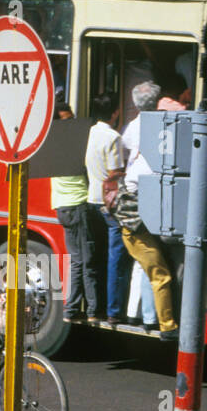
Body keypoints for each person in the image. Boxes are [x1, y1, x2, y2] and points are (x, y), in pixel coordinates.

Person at [114, 82, 178, 339]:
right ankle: (165, 325)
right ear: (158, 100)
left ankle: (143, 317)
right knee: (157, 271)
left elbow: (125, 155)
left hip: (135, 206)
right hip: (141, 209)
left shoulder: (131, 128)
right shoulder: (168, 125)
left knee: (146, 267)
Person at [51, 105, 100, 322]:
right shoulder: (77, 146)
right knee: (86, 260)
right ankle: (88, 310)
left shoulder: (53, 145)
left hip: (61, 207)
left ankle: (74, 309)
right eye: (68, 120)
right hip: (78, 206)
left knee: (76, 260)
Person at [85, 92, 129, 325]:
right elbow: (114, 173)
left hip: (91, 200)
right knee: (116, 258)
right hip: (109, 204)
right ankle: (113, 310)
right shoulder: (114, 138)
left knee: (97, 256)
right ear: (115, 112)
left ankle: (96, 306)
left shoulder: (91, 131)